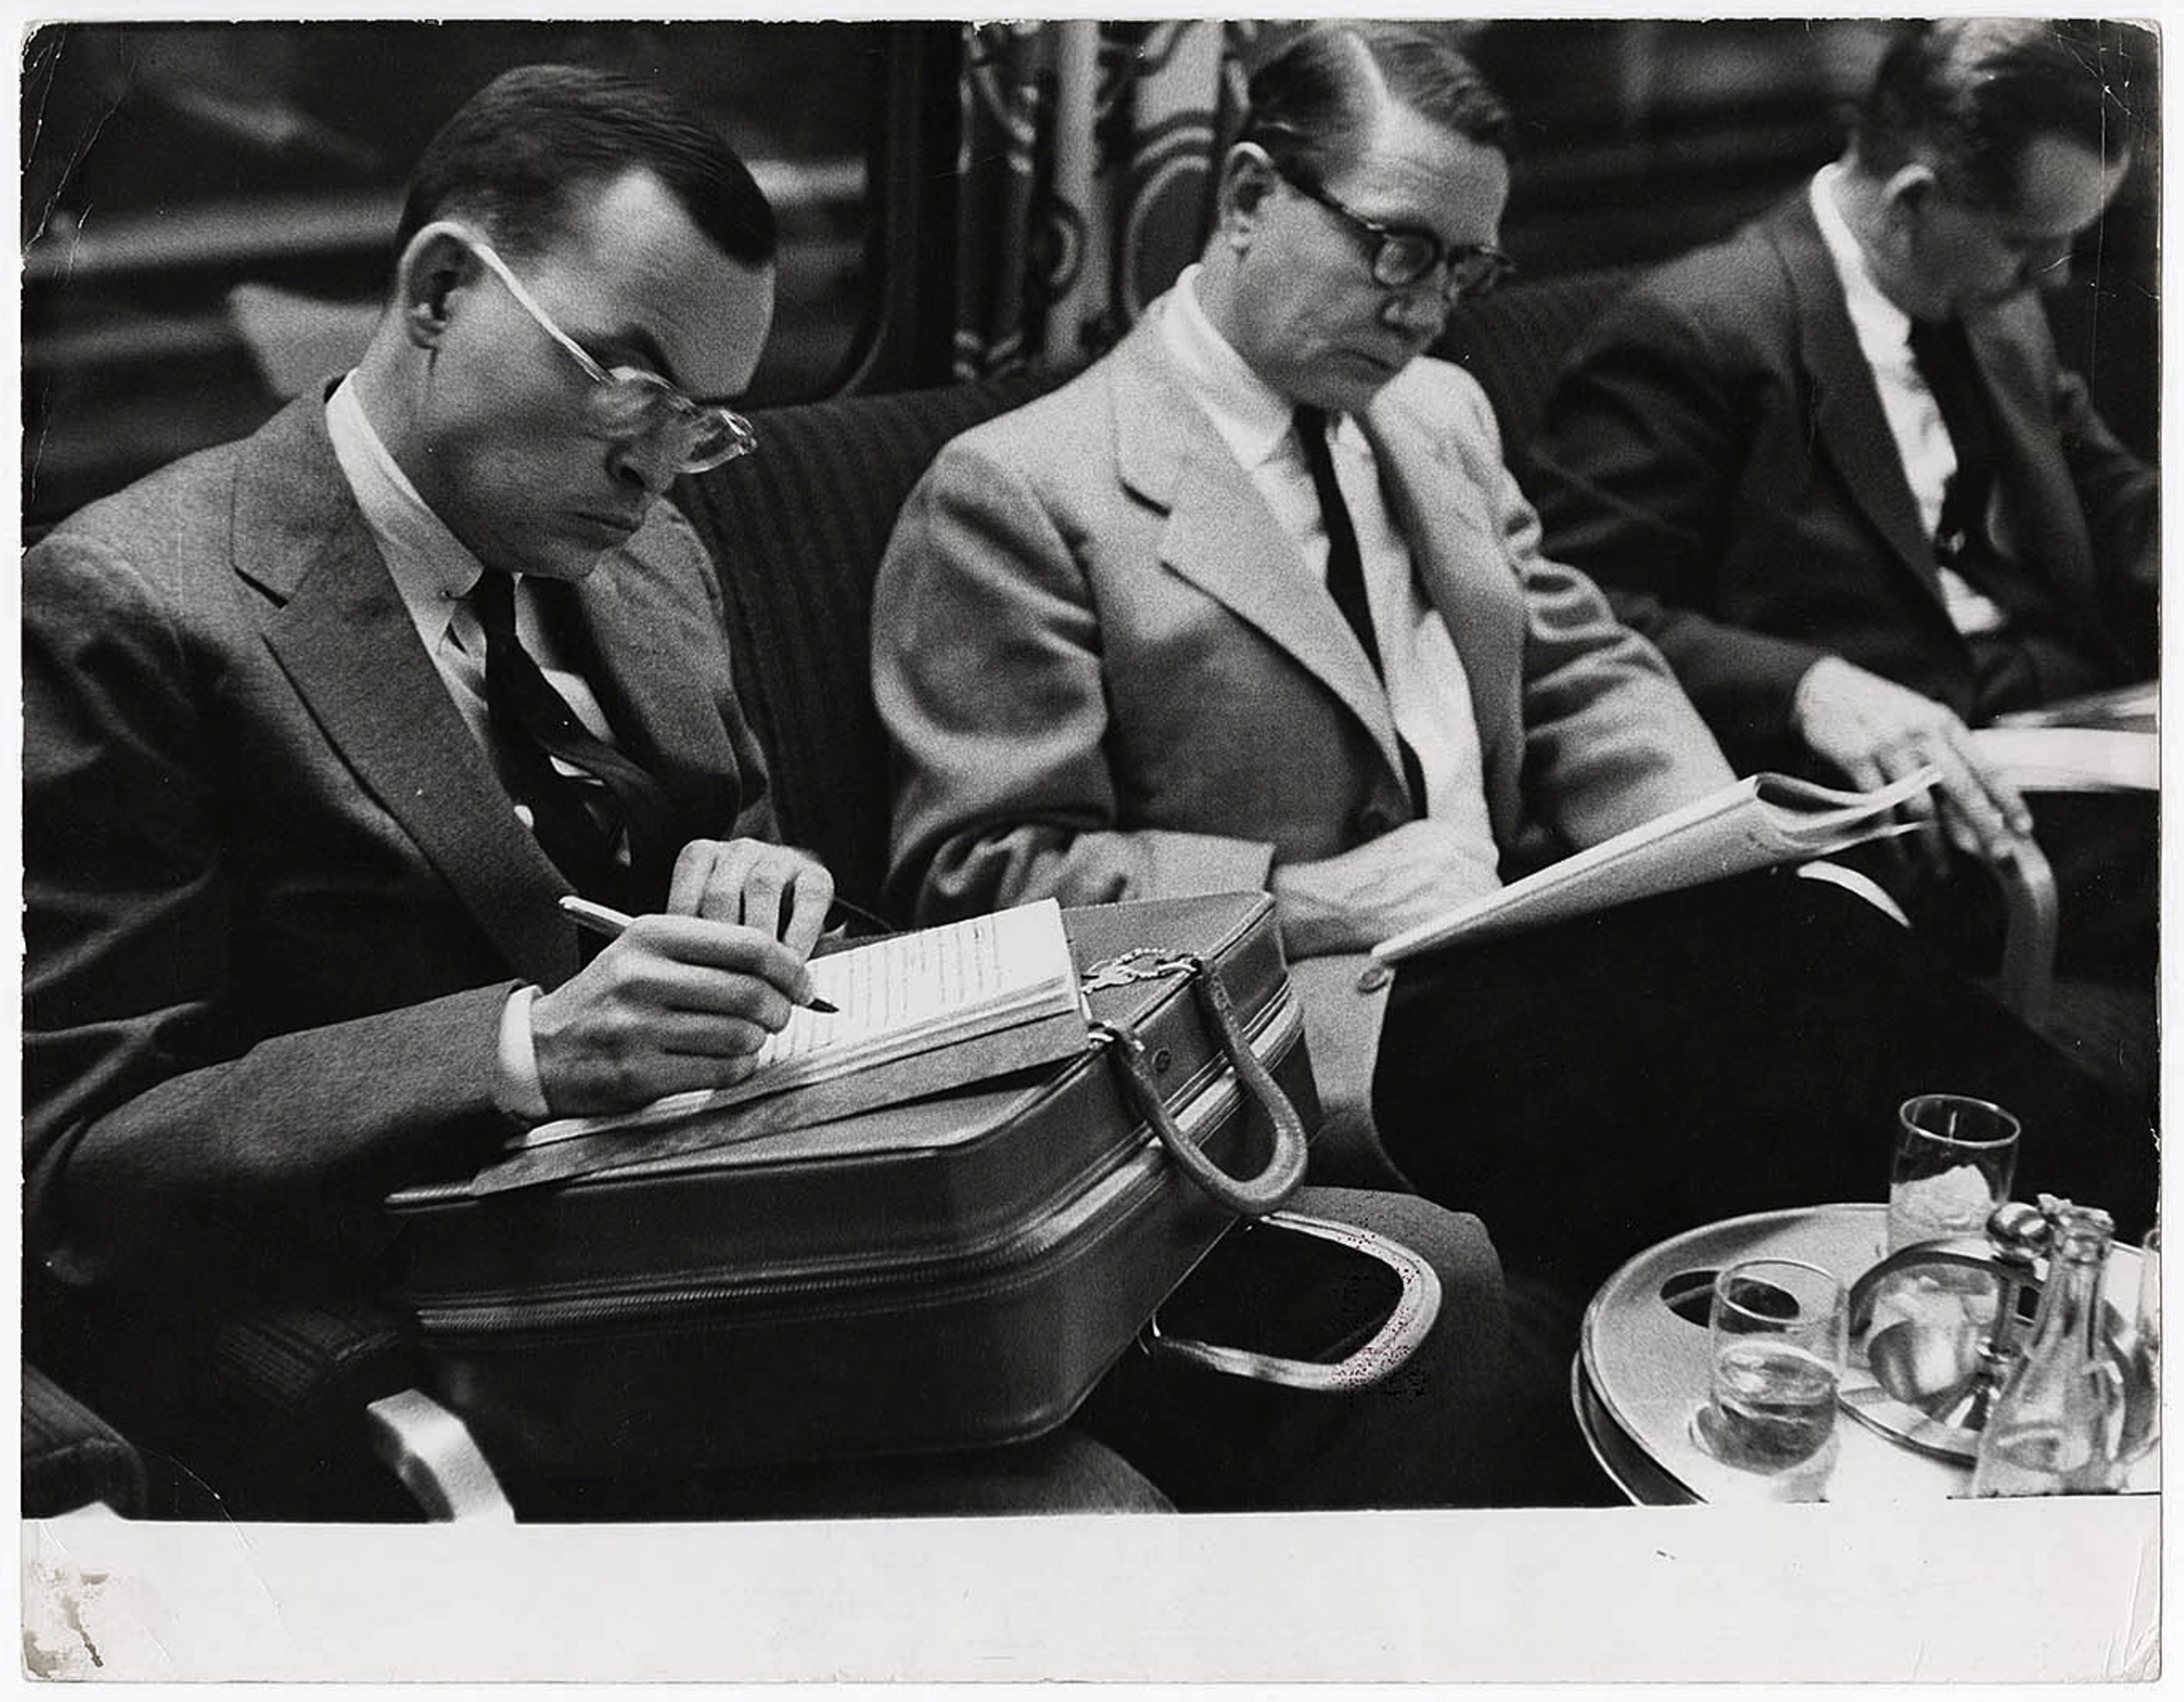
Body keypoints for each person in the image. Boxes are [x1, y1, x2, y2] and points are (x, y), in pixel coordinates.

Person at [24, 63, 1577, 1518]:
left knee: (1440, 1279)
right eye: (630, 384)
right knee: (1099, 1517)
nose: (655, 469)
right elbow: (74, 1164)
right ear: (438, 291)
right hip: (490, 1310)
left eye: (705, 426)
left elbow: (760, 873)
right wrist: (520, 1049)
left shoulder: (645, 556)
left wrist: (779, 895)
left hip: (777, 1203)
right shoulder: (134, 606)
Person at [872, 23, 2155, 1308]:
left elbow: (1578, 669)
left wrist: (1726, 850)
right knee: (1764, 1042)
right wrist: (1303, 897)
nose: (1424, 311)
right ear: (1251, 195)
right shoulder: (1024, 491)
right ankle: (2041, 1295)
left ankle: (2108, 1259)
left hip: (1515, 938)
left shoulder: (1437, 414)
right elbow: (975, 887)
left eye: (1463, 269)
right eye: (1396, 246)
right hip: (1302, 1008)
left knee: (1826, 940)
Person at [1527, 19, 2156, 1000]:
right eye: (2028, 243)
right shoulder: (1694, 333)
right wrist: (1807, 685)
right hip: (1910, 811)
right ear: (1913, 203)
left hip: (2059, 736)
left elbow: (2113, 500)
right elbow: (1571, 610)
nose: (2058, 274)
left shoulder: (1994, 305)